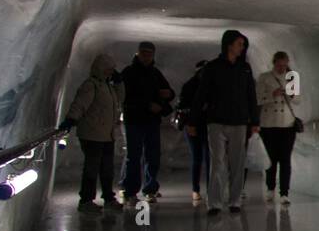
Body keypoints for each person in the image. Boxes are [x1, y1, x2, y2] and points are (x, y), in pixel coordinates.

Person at [188, 30, 260, 216]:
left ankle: (235, 200)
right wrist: (193, 121)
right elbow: (201, 95)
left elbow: (251, 95)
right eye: (239, 44)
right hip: (216, 122)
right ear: (229, 45)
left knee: (237, 163)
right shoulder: (212, 67)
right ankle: (215, 203)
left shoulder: (244, 68)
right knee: (217, 162)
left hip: (238, 122)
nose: (241, 48)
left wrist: (254, 120)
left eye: (243, 45)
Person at [60, 53, 125, 214]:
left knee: (106, 169)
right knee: (92, 168)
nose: (110, 73)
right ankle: (86, 200)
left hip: (106, 135)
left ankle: (108, 197)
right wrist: (71, 119)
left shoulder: (107, 87)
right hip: (92, 135)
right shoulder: (91, 85)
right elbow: (80, 104)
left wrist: (119, 83)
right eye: (108, 70)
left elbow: (119, 99)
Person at [117, 40, 174, 206]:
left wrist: (168, 94)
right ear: (138, 53)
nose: (147, 56)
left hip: (151, 121)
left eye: (149, 53)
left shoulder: (155, 73)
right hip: (134, 120)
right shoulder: (128, 73)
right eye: (144, 53)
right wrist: (147, 105)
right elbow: (124, 97)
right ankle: (130, 190)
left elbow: (169, 91)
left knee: (152, 155)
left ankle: (149, 188)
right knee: (134, 156)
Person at [257, 51, 301, 205]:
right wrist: (272, 95)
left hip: (287, 124)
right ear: (274, 63)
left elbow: (298, 100)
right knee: (271, 159)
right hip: (268, 123)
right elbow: (257, 98)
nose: (282, 68)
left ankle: (284, 193)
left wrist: (290, 94)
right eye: (279, 65)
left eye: (285, 65)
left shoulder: (292, 77)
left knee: (285, 159)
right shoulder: (264, 77)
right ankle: (270, 188)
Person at [175, 59, 209, 206]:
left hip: (209, 126)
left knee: (210, 157)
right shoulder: (189, 86)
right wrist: (189, 124)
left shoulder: (212, 86)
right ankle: (195, 189)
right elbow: (183, 107)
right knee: (197, 157)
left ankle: (210, 188)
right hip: (193, 125)